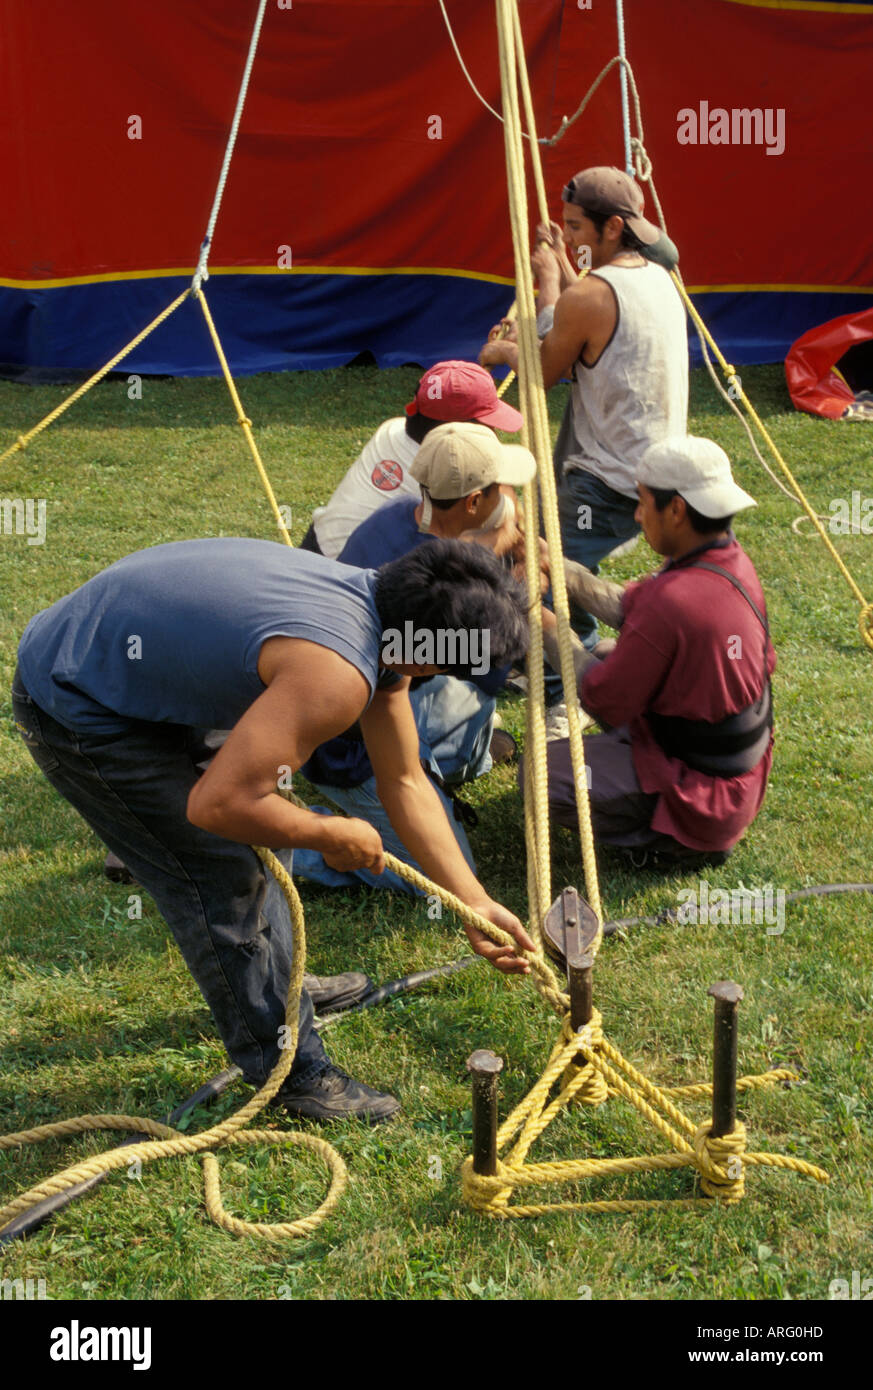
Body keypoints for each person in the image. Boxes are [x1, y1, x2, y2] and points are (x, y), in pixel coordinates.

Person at [13, 537, 534, 1124]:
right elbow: (216, 806)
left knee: (268, 815)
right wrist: (328, 833)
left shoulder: (384, 614)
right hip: (75, 696)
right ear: (426, 649)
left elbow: (406, 780)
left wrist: (474, 901)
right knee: (224, 873)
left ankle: (280, 986)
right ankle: (292, 1072)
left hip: (123, 665)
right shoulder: (335, 671)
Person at [294, 422, 538, 893]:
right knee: (442, 880)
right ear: (473, 502)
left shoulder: (397, 515)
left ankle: (438, 765)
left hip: (386, 695)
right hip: (349, 745)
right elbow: (487, 666)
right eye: (498, 488)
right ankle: (279, 841)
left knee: (467, 737)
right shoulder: (449, 587)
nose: (508, 497)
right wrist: (522, 583)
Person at [532, 437, 775, 866]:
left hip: (702, 793)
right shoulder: (728, 561)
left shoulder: (675, 601)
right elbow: (627, 605)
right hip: (728, 769)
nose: (637, 515)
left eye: (643, 502)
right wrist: (556, 563)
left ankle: (675, 841)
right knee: (610, 651)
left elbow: (600, 697)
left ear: (677, 510)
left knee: (541, 774)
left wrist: (539, 620)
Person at [479, 166, 689, 663]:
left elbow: (541, 373)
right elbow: (593, 312)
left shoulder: (587, 297)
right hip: (654, 474)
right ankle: (604, 643)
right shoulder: (656, 277)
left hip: (606, 481)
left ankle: (562, 695)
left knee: (540, 570)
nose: (567, 237)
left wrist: (505, 350)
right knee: (563, 562)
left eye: (574, 227)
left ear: (612, 227)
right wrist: (561, 272)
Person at [299, 360, 524, 558]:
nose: (494, 429)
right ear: (456, 429)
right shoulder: (446, 473)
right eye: (487, 423)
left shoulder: (391, 429)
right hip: (355, 581)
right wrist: (508, 532)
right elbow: (468, 553)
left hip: (314, 551)